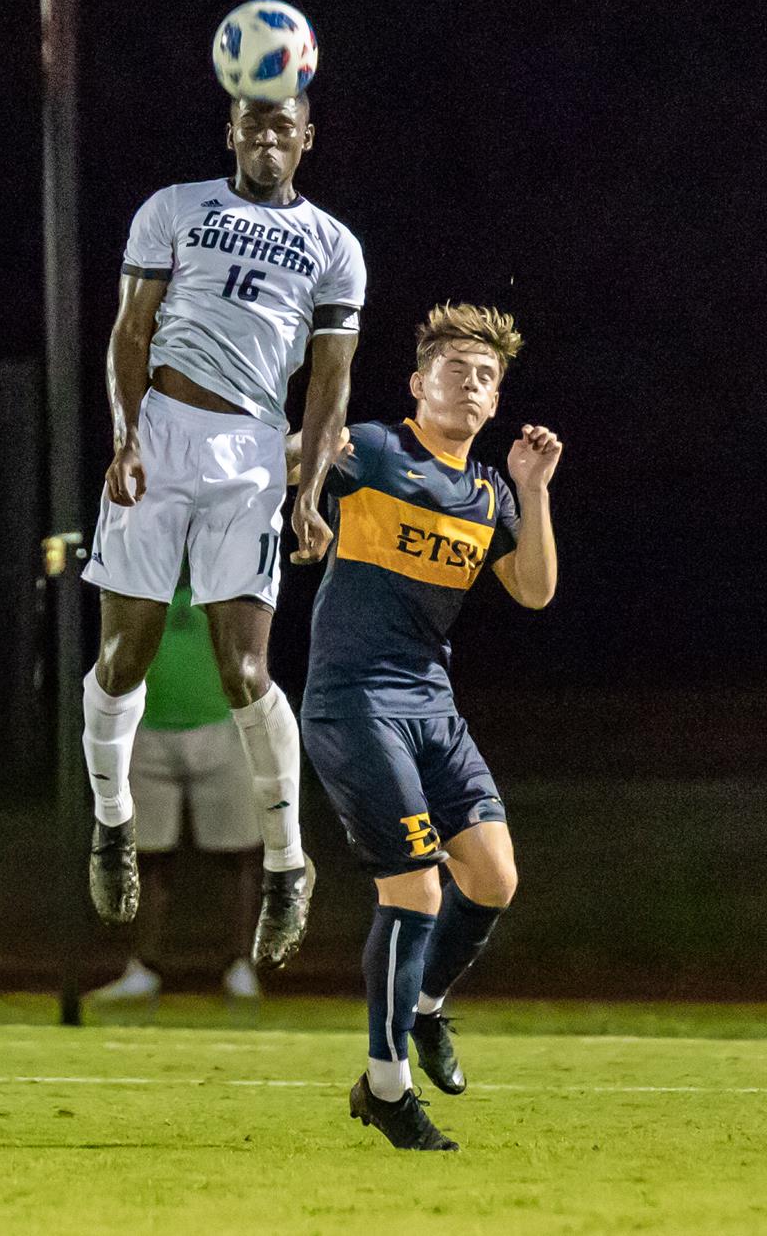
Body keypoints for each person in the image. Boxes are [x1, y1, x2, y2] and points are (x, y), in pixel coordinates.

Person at [82, 90, 366, 971]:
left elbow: (329, 382)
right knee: (122, 658)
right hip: (164, 430)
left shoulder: (334, 245)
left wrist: (311, 493)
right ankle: (112, 824)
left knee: (245, 670)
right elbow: (130, 332)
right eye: (254, 125)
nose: (268, 139)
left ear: (307, 137)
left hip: (252, 450)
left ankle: (286, 866)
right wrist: (127, 436)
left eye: (284, 127)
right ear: (231, 133)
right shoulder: (174, 208)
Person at [299, 303, 561, 1151]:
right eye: (456, 370)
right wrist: (300, 480)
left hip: (430, 704)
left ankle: (424, 1007)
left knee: (493, 876)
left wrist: (533, 489)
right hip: (355, 699)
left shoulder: (487, 492)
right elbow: (299, 454)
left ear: (496, 402)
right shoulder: (377, 449)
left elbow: (534, 590)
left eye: (487, 377)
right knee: (416, 890)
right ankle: (385, 1087)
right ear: (419, 383)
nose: (472, 384)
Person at [88, 582, 264, 1005]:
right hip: (145, 726)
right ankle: (144, 967)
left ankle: (239, 963)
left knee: (237, 856)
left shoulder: (225, 568)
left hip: (222, 722)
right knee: (146, 856)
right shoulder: (138, 570)